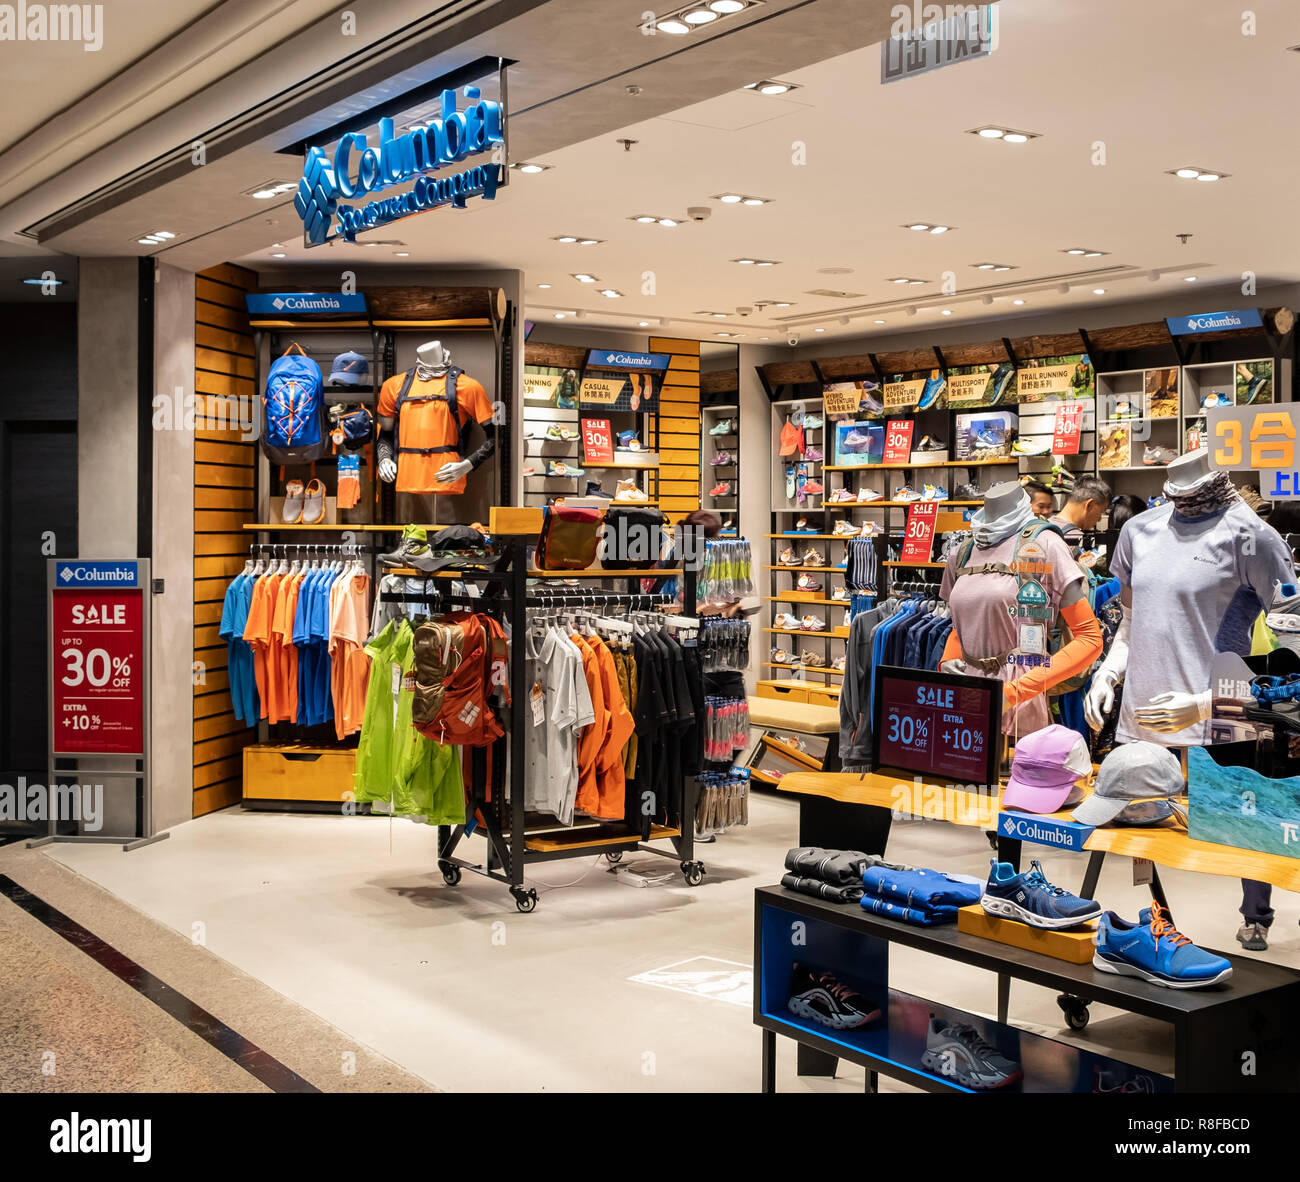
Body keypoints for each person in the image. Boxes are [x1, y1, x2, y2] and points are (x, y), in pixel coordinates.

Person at [1050, 477, 1112, 551]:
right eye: (1101, 512)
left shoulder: (1046, 525)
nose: (1099, 519)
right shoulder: (1075, 539)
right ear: (1089, 505)